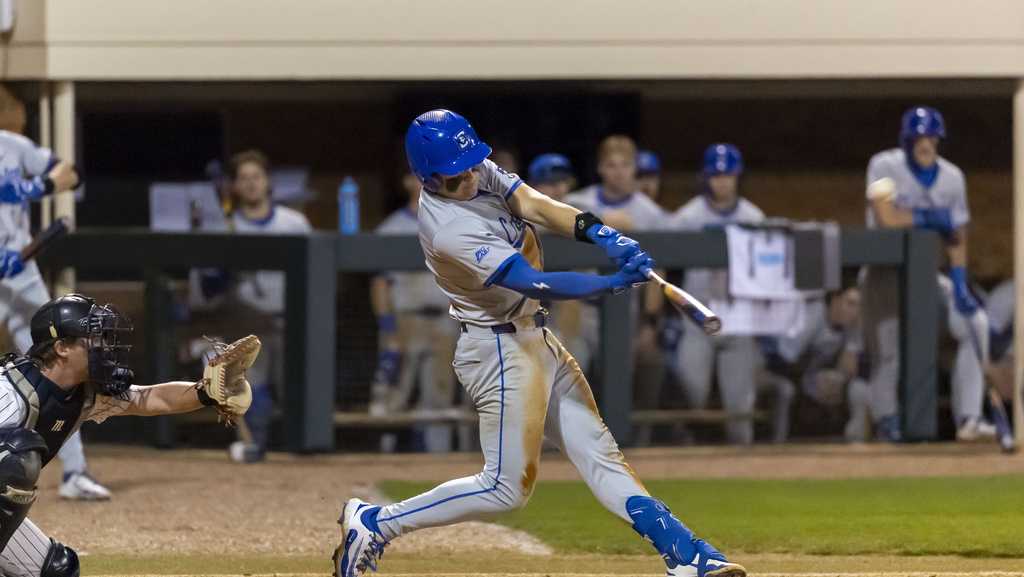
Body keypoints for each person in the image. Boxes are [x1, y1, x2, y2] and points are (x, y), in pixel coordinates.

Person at [333, 109, 746, 577]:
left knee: (599, 453)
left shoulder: (473, 167)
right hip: (499, 351)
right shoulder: (448, 228)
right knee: (505, 489)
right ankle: (376, 523)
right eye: (455, 176)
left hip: (534, 337)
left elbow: (536, 204)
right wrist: (611, 283)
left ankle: (685, 552)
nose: (469, 178)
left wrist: (602, 233)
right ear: (427, 179)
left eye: (471, 167)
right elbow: (534, 283)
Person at [0, 293, 255, 577]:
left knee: (57, 570)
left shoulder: (81, 393)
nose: (105, 346)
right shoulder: (11, 394)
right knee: (15, 453)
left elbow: (150, 398)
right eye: (94, 336)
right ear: (62, 348)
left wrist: (204, 393)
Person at [0, 85, 113, 500]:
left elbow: (72, 173)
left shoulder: (11, 146)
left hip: (19, 271)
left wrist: (37, 188)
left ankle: (75, 472)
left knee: (62, 366)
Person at [863, 106, 994, 442]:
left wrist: (961, 282)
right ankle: (887, 419)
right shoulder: (882, 165)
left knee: (974, 324)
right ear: (906, 140)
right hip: (883, 273)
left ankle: (969, 418)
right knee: (888, 351)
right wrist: (925, 218)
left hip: (925, 276)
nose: (925, 144)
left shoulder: (952, 177)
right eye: (918, 138)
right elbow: (886, 218)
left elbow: (957, 236)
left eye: (931, 138)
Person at [189, 149, 312, 461]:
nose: (251, 184)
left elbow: (315, 275)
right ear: (234, 186)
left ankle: (301, 457)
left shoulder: (294, 223)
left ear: (268, 181)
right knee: (252, 394)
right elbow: (205, 290)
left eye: (256, 177)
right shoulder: (224, 228)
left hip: (292, 321)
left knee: (296, 395)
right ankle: (257, 449)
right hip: (246, 324)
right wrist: (227, 270)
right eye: (243, 178)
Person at [564, 136, 669, 444]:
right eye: (611, 165)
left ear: (635, 169)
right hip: (580, 309)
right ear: (600, 168)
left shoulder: (650, 213)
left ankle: (629, 449)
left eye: (626, 165)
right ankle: (568, 448)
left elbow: (657, 271)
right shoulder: (577, 201)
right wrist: (606, 221)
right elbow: (542, 220)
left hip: (626, 309)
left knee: (621, 384)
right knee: (570, 380)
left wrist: (650, 323)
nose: (619, 172)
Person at [669, 144, 765, 445]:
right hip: (696, 319)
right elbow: (665, 268)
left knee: (740, 407)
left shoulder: (753, 216)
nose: (722, 181)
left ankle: (743, 469)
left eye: (727, 175)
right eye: (715, 175)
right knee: (692, 396)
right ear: (705, 178)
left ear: (737, 177)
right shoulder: (686, 217)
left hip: (739, 319)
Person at [369, 172, 461, 452]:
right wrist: (388, 327)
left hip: (445, 321)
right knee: (391, 398)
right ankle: (379, 461)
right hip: (405, 321)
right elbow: (380, 282)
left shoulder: (457, 222)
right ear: (407, 181)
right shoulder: (391, 228)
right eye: (418, 176)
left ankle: (436, 467)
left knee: (438, 400)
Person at [770, 287, 870, 442]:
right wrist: (807, 381)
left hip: (814, 376)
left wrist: (839, 377)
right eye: (850, 303)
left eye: (858, 305)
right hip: (782, 368)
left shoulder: (853, 324)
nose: (855, 311)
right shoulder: (816, 313)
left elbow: (850, 367)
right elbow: (786, 357)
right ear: (835, 300)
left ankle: (854, 443)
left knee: (857, 387)